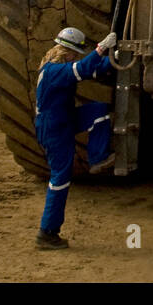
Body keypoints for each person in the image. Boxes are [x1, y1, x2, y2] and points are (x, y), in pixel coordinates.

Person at [34, 26, 117, 250]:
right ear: (68, 52)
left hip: (64, 120)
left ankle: (97, 158)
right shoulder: (54, 71)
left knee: (99, 111)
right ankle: (47, 232)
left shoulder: (60, 67)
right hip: (53, 129)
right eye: (76, 53)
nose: (77, 56)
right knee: (60, 178)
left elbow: (93, 71)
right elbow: (82, 68)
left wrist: (116, 57)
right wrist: (101, 48)